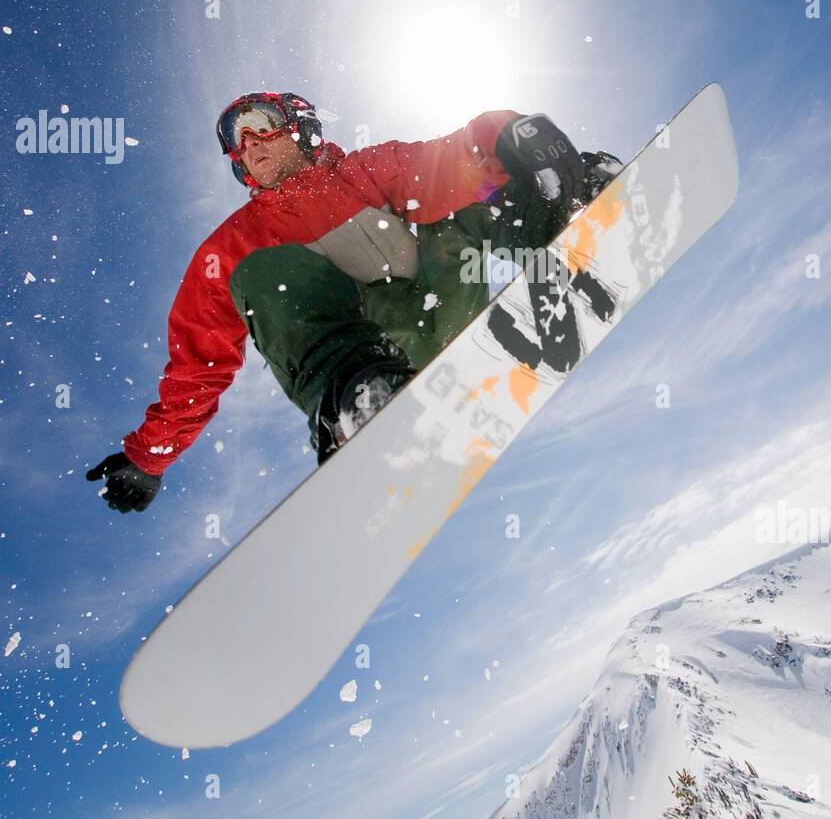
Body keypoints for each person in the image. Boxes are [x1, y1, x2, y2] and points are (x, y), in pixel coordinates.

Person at [87, 92, 619, 513]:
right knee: (263, 274)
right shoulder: (235, 245)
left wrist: (507, 135)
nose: (248, 141)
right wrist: (147, 456)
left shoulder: (365, 171)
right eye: (235, 138)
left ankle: (567, 204)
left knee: (450, 198)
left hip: (442, 303)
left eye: (258, 121)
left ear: (297, 123)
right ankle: (361, 401)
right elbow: (197, 366)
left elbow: (449, 158)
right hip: (369, 350)